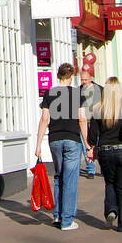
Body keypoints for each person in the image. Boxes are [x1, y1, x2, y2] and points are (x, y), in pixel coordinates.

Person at [35, 62, 89, 231]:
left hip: (55, 139)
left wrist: (38, 145)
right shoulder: (77, 94)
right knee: (70, 180)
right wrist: (86, 142)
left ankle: (58, 214)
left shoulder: (49, 93)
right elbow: (82, 118)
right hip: (72, 139)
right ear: (71, 76)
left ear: (58, 75)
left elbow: (45, 119)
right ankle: (67, 220)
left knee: (59, 176)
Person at [86, 76, 122, 232]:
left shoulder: (97, 109)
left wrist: (92, 148)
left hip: (105, 152)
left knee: (110, 183)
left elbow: (92, 137)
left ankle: (111, 210)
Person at [78, 62, 103, 178]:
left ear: (91, 78)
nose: (84, 82)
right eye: (82, 79)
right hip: (84, 122)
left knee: (98, 144)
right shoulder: (78, 91)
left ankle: (104, 166)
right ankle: (91, 169)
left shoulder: (100, 90)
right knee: (86, 146)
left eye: (86, 79)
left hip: (97, 122)